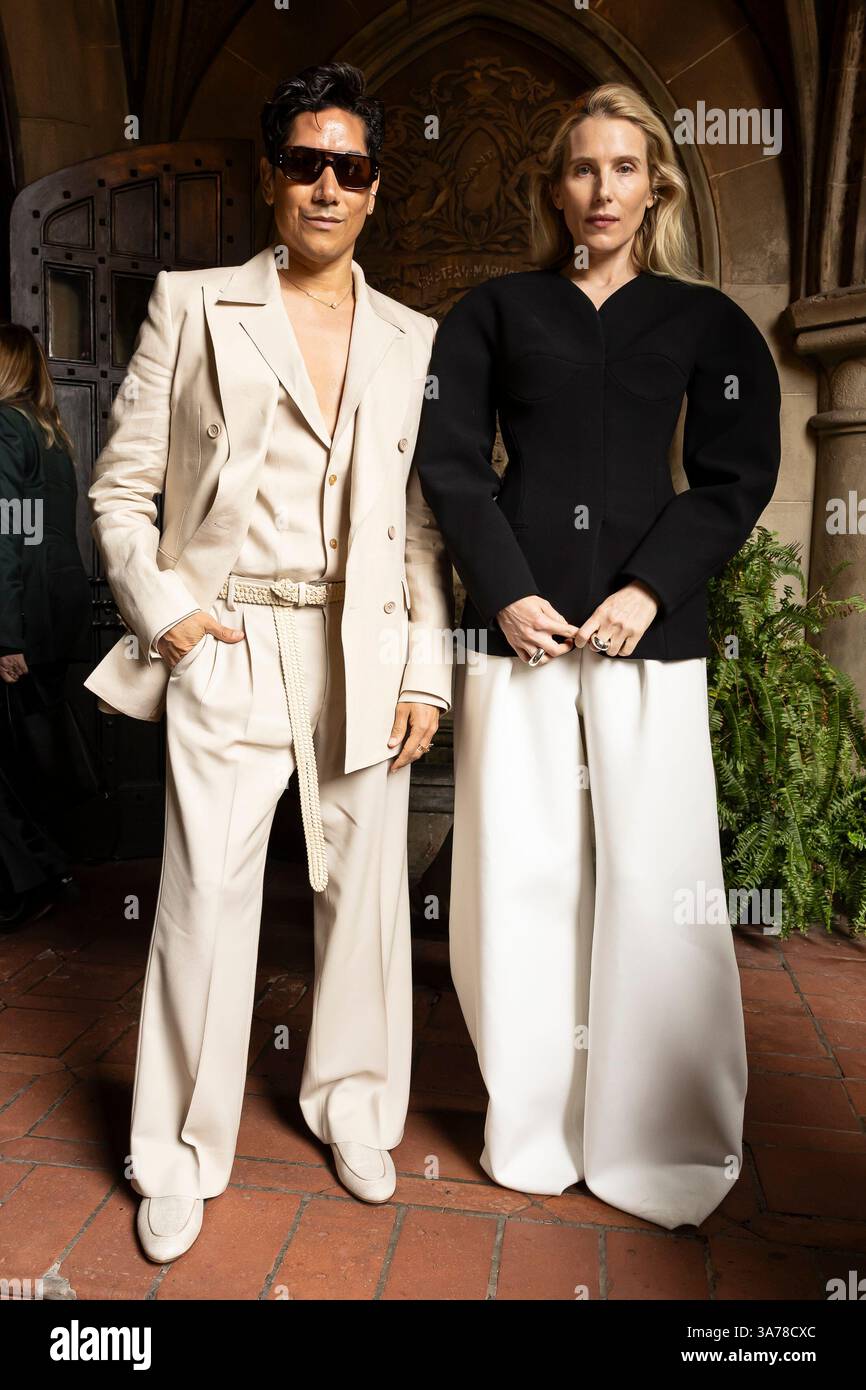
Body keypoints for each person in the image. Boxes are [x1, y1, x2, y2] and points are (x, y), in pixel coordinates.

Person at [83, 62, 454, 1262]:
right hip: (229, 637)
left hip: (363, 644)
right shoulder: (192, 305)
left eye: (350, 167)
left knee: (364, 905)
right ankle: (177, 1154)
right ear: (271, 173)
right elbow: (121, 489)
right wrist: (167, 612)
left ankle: (352, 1106)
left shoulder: (414, 337)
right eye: (306, 162)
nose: (327, 186)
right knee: (201, 903)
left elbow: (416, 527)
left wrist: (425, 671)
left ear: (376, 187)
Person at [412, 82, 782, 1231]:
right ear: (554, 187)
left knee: (655, 888)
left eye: (624, 168)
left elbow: (733, 477)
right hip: (517, 640)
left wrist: (645, 587)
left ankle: (656, 1135)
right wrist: (508, 590)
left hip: (647, 642)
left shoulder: (705, 322)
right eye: (581, 169)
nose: (601, 189)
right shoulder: (493, 310)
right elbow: (452, 462)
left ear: (656, 185)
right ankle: (530, 1125)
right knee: (516, 884)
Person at [0, 325, 90, 926]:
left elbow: (9, 534)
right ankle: (52, 866)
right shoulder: (50, 432)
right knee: (31, 752)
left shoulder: (7, 425)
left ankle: (27, 881)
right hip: (58, 611)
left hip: (25, 615)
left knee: (18, 756)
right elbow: (34, 531)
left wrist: (7, 636)